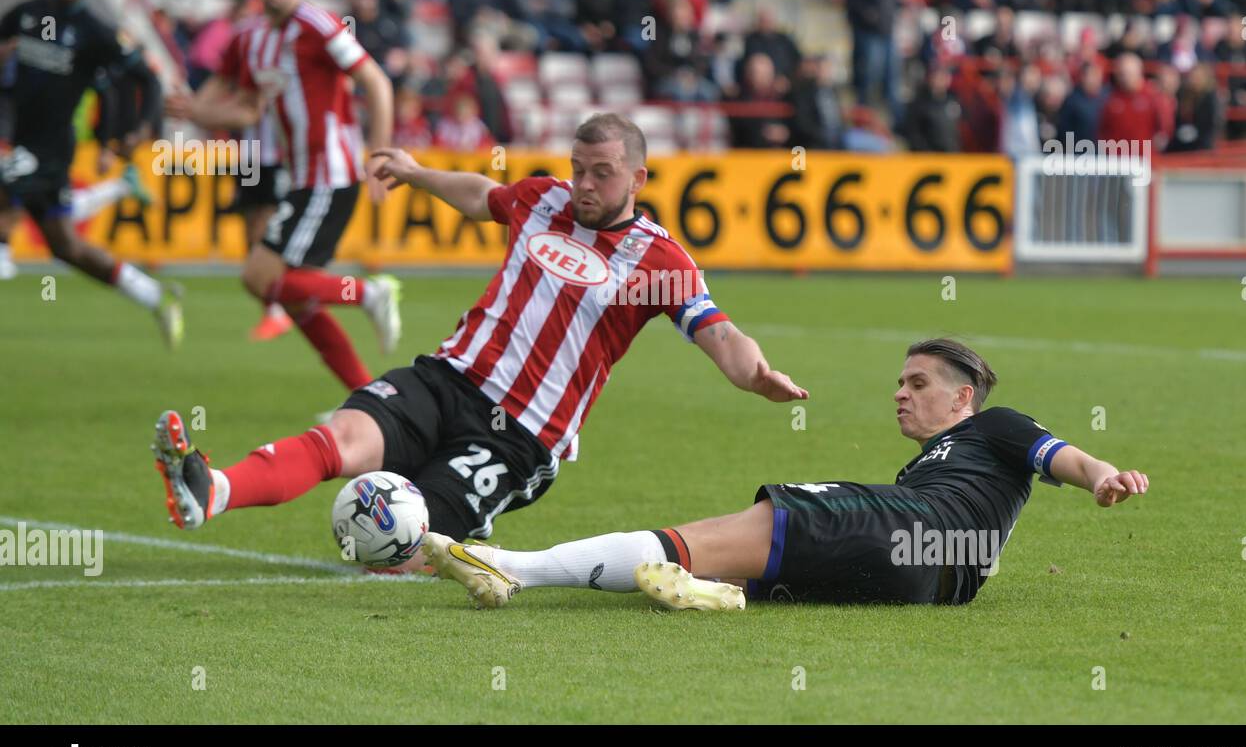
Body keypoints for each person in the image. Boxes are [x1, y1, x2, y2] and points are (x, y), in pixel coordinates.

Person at [151, 114, 808, 543]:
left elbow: (716, 330)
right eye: (578, 167)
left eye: (601, 173)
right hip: (446, 378)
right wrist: (415, 173)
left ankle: (460, 527)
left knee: (408, 546)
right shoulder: (541, 198)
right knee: (343, 437)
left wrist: (755, 375)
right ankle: (214, 490)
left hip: (521, 434)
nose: (582, 183)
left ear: (637, 178)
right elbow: (479, 195)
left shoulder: (657, 259)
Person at [422, 338, 1150, 611]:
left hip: (926, 535)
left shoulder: (994, 424)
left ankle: (511, 568)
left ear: (963, 396)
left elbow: (1063, 457)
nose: (901, 392)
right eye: (900, 382)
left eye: (918, 382)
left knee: (737, 529)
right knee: (770, 559)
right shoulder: (935, 463)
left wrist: (1104, 476)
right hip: (938, 575)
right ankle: (721, 593)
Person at [164, 0, 399, 390]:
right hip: (301, 179)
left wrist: (381, 153)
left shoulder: (318, 25)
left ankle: (371, 292)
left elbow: (376, 81)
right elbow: (248, 110)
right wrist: (193, 111)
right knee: (293, 295)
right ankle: (367, 396)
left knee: (258, 277)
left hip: (331, 175)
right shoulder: (251, 37)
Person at [0, 0, 179, 344]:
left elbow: (146, 80)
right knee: (65, 245)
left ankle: (2, 256)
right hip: (23, 143)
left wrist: (140, 127)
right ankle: (151, 293)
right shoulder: (28, 14)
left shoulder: (96, 32)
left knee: (3, 180)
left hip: (50, 151)